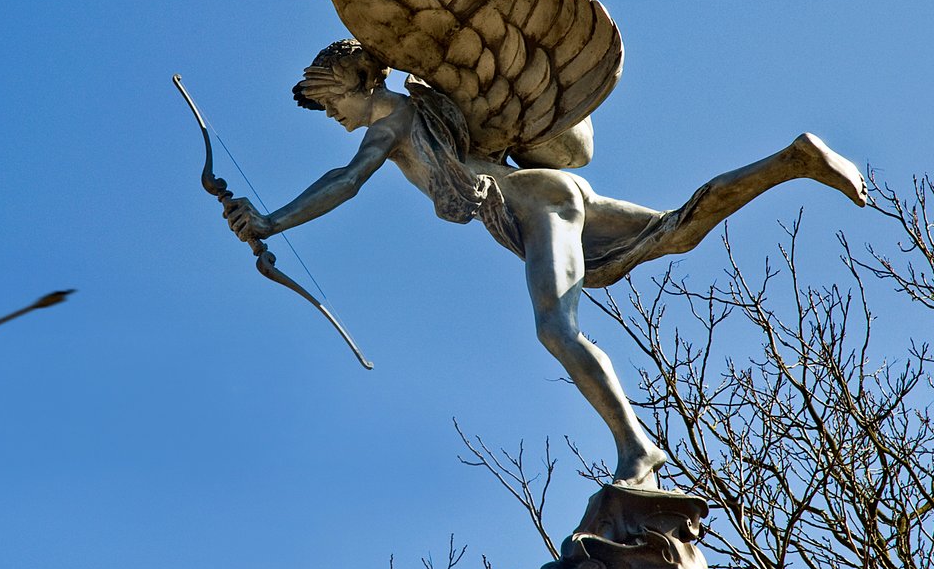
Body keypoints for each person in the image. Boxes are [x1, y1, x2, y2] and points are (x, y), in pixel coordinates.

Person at [225, 39, 867, 487]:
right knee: (677, 232)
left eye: (332, 102)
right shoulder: (417, 111)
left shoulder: (391, 120)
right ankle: (792, 161)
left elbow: (344, 181)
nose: (333, 116)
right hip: (544, 193)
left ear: (359, 85)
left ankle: (636, 448)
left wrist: (272, 219)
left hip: (532, 202)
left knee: (556, 330)